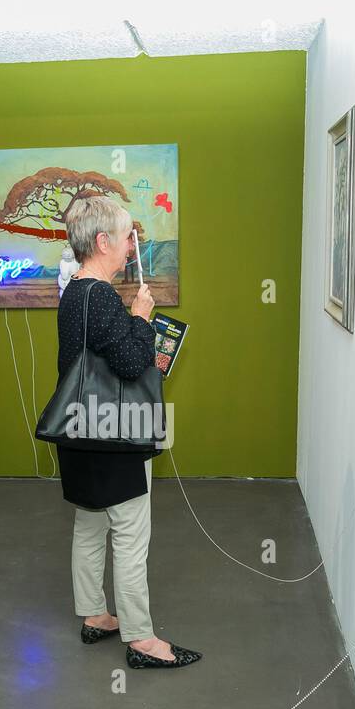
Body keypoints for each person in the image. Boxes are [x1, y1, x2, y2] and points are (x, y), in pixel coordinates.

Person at [55, 195, 201, 669]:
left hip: (79, 430)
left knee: (90, 523)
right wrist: (141, 316)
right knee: (131, 535)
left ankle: (95, 614)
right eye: (124, 240)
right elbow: (134, 361)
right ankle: (141, 640)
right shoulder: (101, 298)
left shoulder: (74, 292)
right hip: (112, 436)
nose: (129, 250)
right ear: (102, 242)